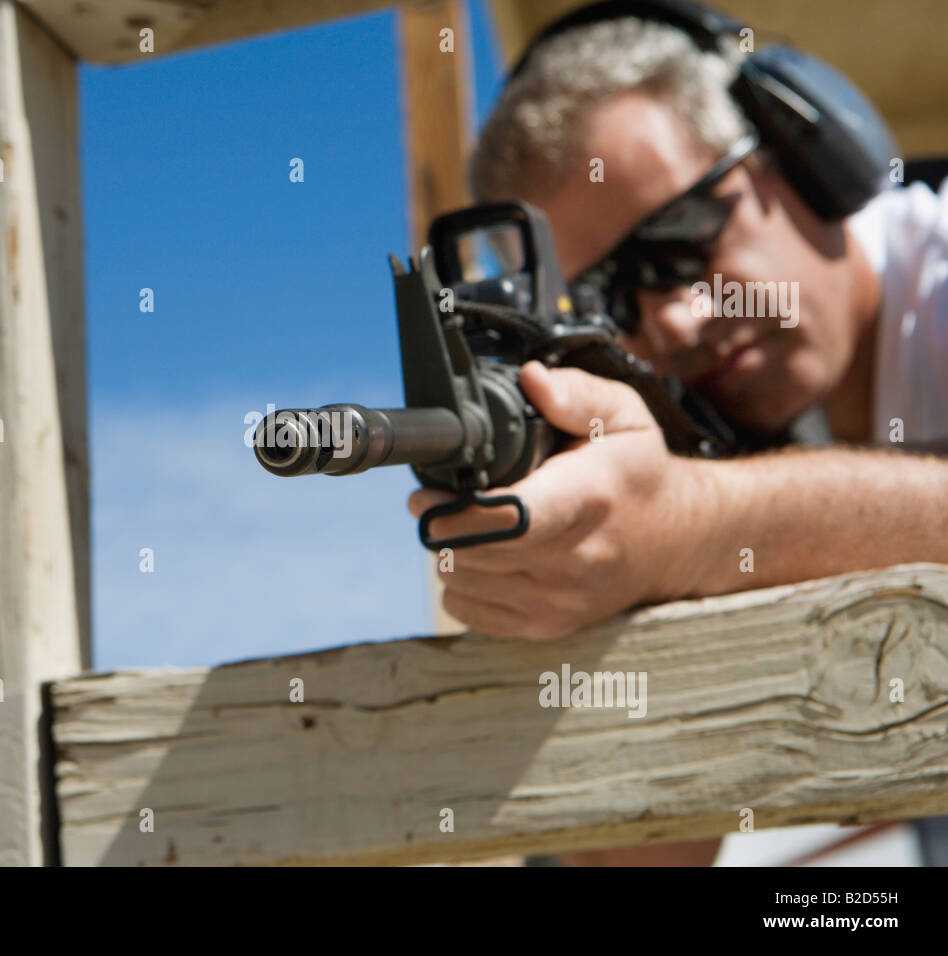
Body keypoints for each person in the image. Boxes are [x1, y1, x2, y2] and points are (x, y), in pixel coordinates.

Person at [406, 1, 948, 865]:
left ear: (802, 154)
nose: (681, 322)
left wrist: (694, 526)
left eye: (682, 242)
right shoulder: (724, 446)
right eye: (616, 299)